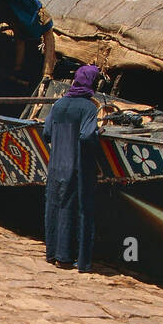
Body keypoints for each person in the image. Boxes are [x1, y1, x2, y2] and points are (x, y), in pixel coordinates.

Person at [42, 64, 101, 272]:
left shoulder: (58, 105)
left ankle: (52, 253)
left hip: (56, 164)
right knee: (74, 210)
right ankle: (67, 258)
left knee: (54, 206)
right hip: (75, 165)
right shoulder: (88, 108)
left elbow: (46, 133)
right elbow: (86, 136)